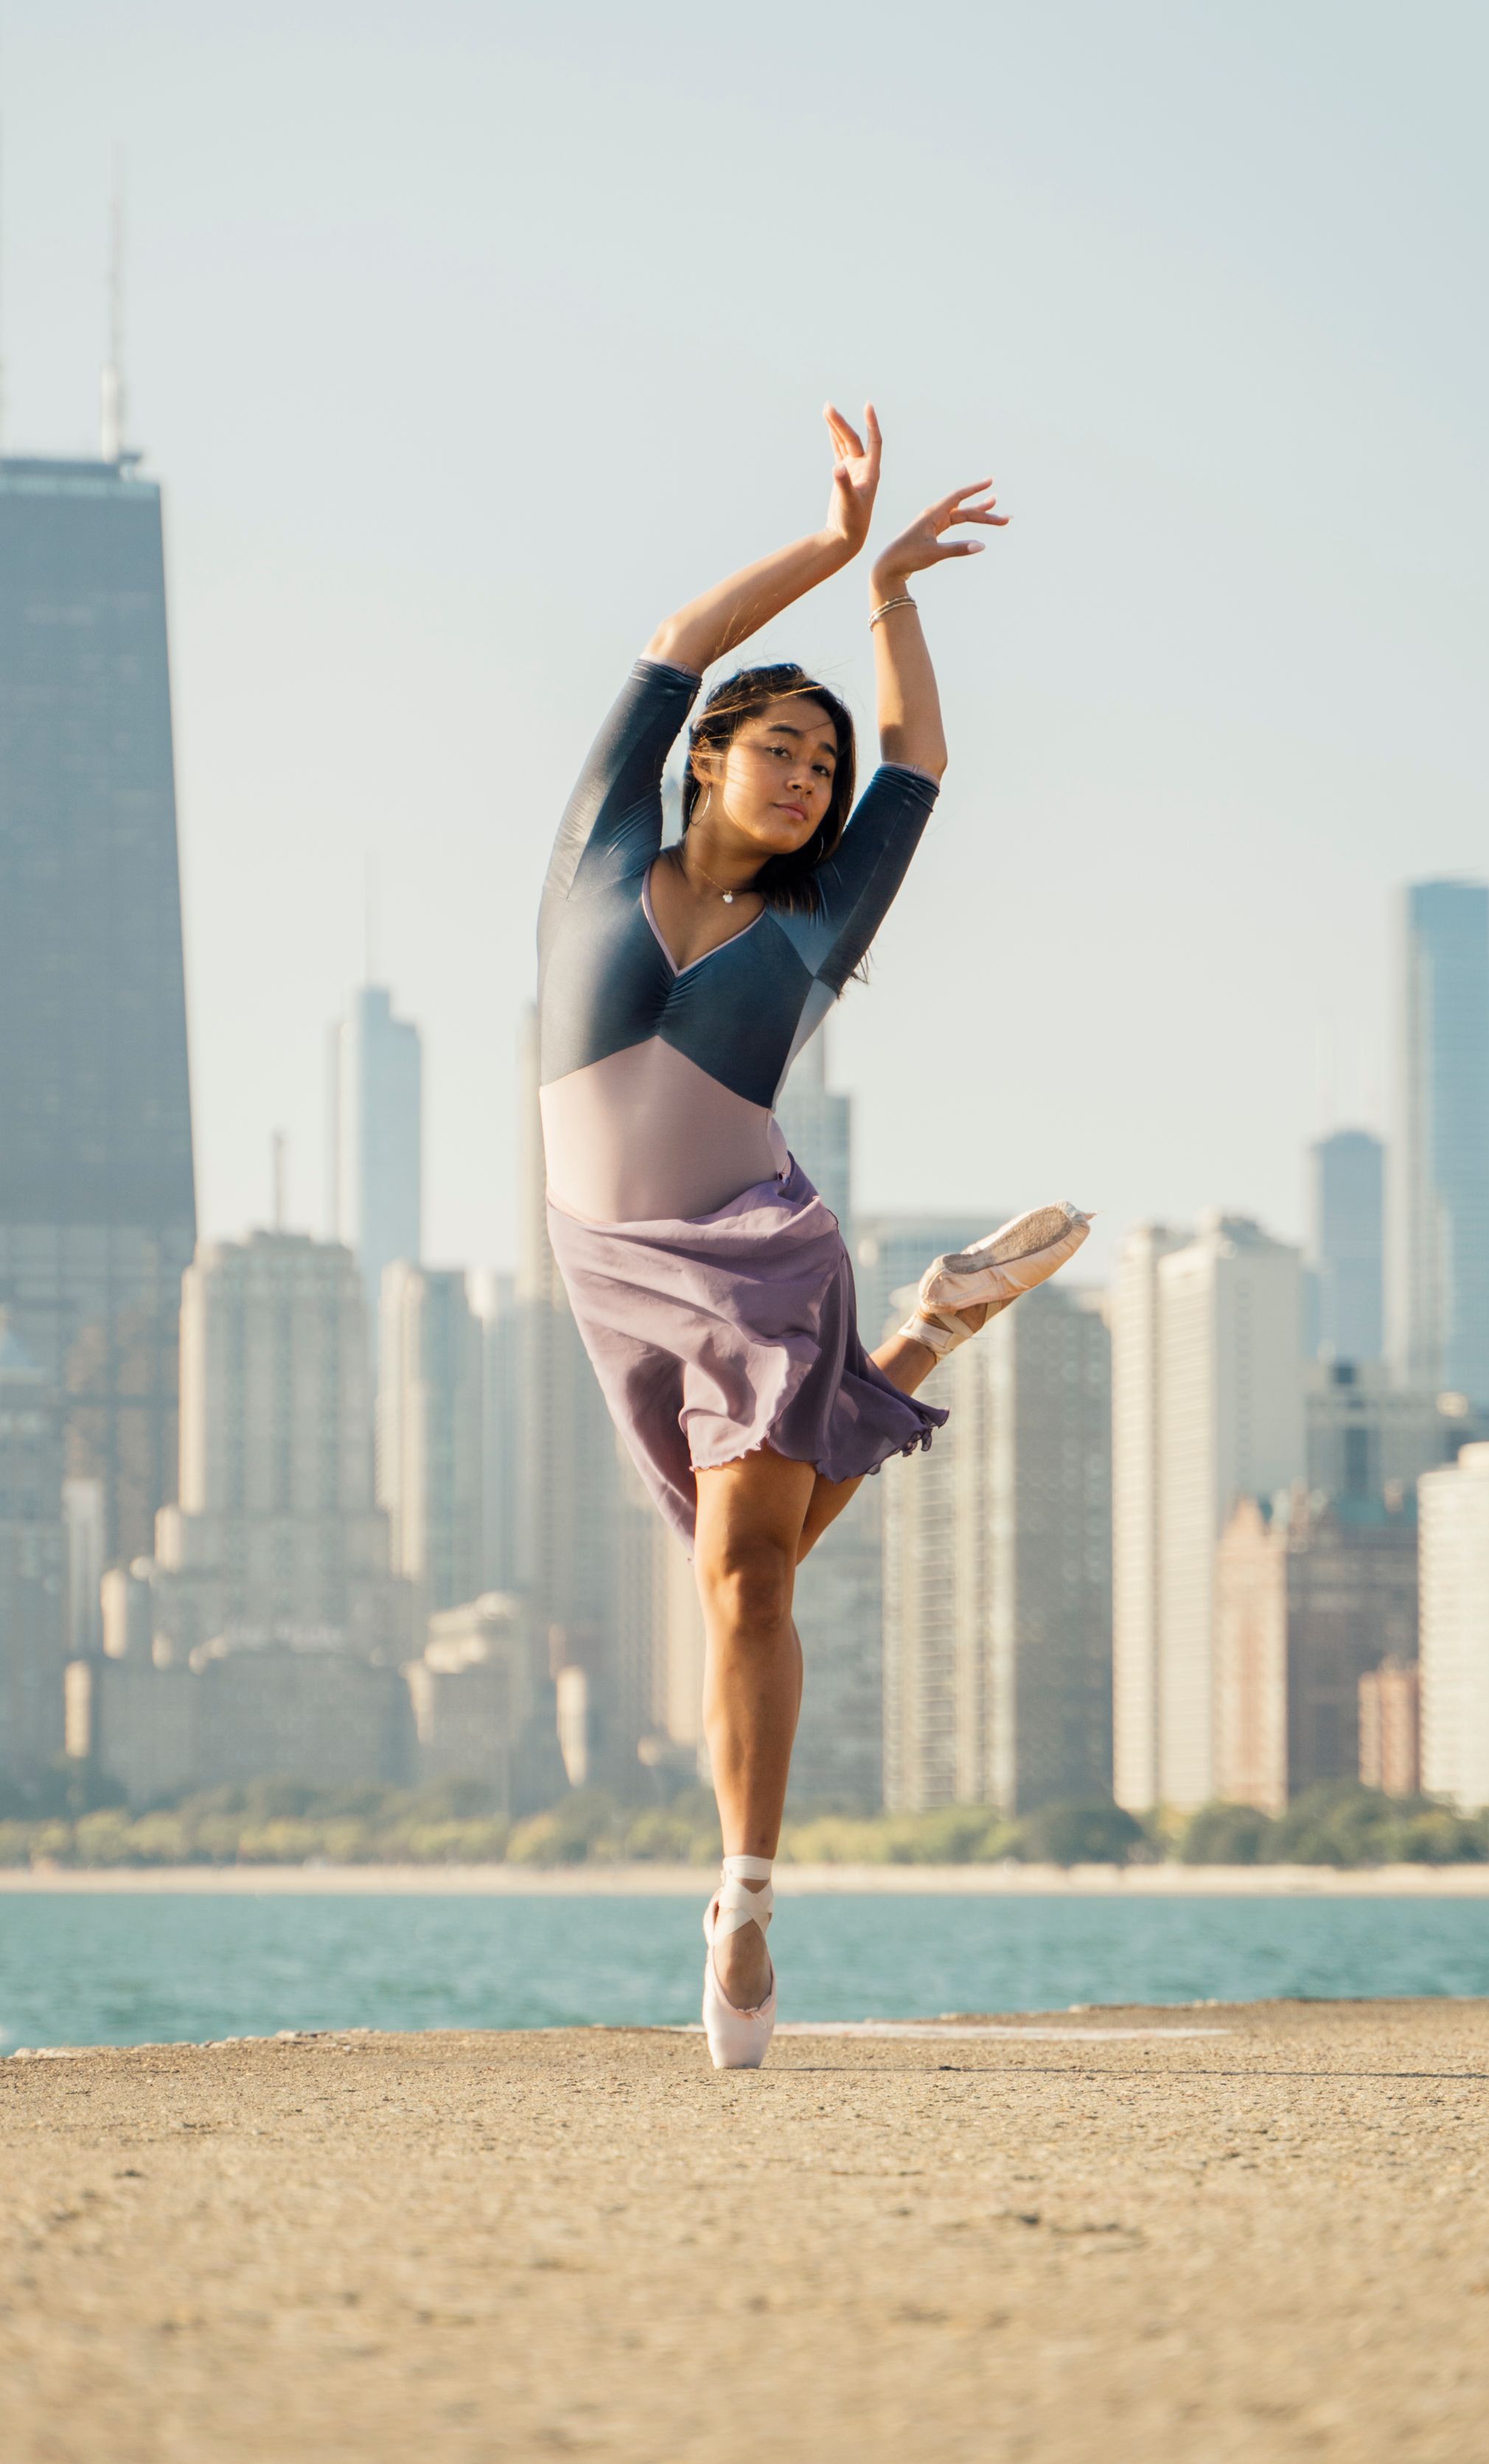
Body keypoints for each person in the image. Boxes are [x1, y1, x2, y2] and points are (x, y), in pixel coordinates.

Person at [536, 404, 1087, 2067]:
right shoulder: (598, 854)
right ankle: (927, 1334)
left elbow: (918, 763)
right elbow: (674, 641)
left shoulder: (817, 919)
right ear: (705, 755)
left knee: (744, 1581)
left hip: (753, 1245)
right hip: (604, 1266)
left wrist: (892, 612)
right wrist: (834, 545)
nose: (810, 779)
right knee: (737, 1568)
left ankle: (744, 1900)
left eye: (820, 769)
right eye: (781, 749)